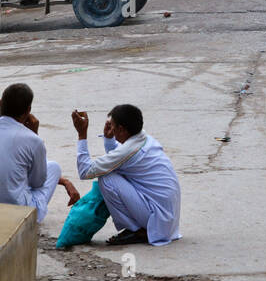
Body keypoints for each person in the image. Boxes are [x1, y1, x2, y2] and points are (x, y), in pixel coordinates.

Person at [72, 104, 181, 247]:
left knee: (106, 178)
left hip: (158, 218)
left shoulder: (129, 150)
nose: (111, 129)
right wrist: (109, 139)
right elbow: (120, 160)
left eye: (113, 126)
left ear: (122, 129)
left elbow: (85, 171)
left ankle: (137, 230)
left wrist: (82, 134)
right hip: (167, 218)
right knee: (112, 171)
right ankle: (141, 227)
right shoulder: (145, 138)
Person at [0, 83, 79, 221]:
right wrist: (34, 134)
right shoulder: (32, 140)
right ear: (28, 110)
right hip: (17, 212)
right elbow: (36, 183)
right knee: (54, 167)